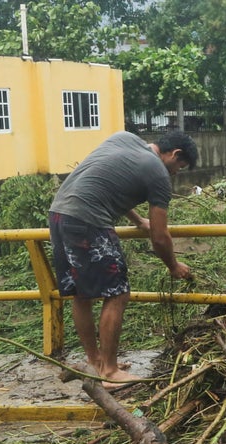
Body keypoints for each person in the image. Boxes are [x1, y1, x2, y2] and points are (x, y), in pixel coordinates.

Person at [48, 130, 197, 388]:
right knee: (117, 293)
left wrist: (138, 220)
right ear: (175, 154)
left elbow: (108, 182)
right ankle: (110, 372)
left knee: (81, 295)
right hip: (88, 220)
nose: (175, 174)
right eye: (179, 168)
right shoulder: (159, 173)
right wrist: (173, 266)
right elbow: (160, 236)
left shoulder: (124, 139)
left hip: (59, 215)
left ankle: (96, 362)